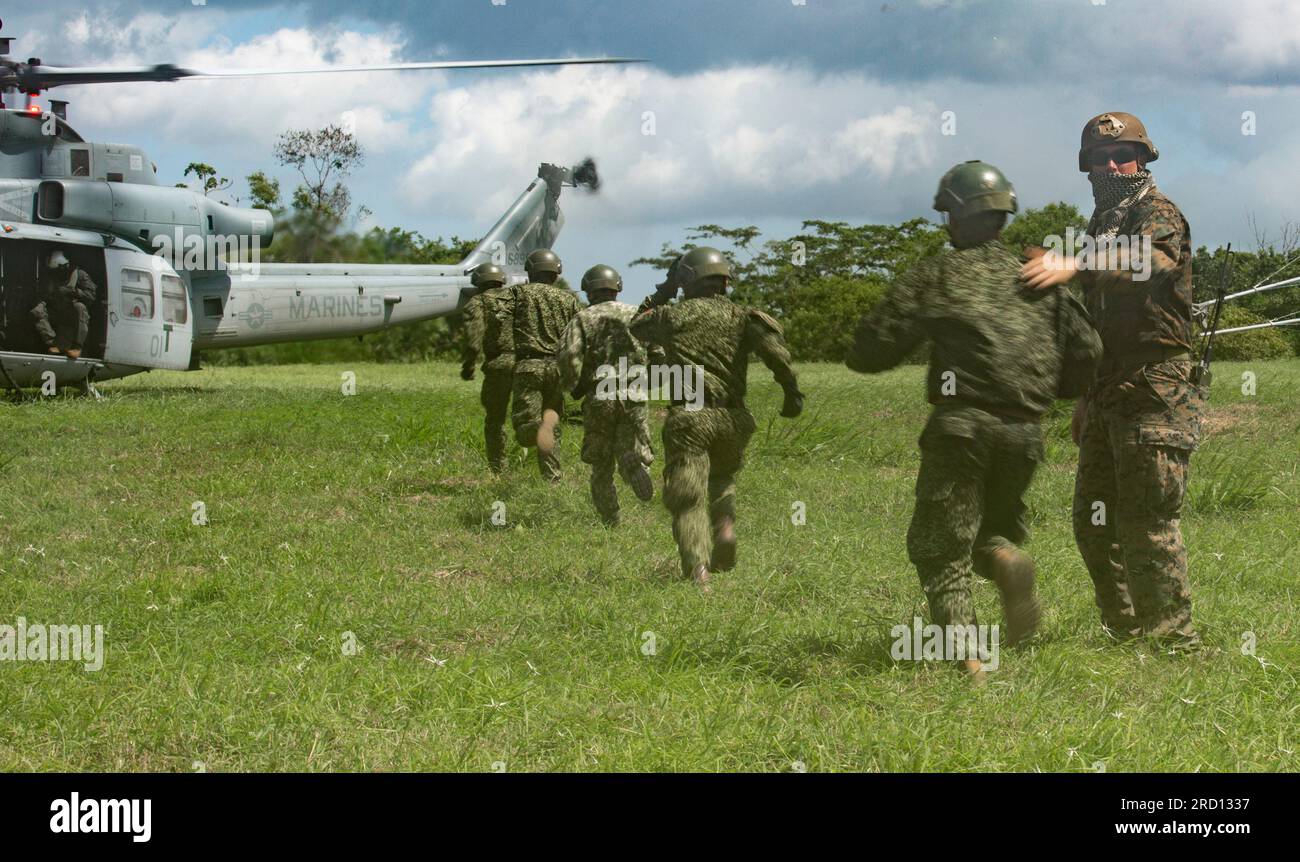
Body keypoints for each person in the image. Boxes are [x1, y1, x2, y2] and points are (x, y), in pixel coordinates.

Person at [847, 160, 1102, 678]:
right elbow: (1089, 352)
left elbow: (871, 352)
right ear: (1004, 214)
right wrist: (1044, 388)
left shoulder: (938, 275)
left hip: (961, 427)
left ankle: (970, 662)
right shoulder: (1040, 278)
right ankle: (1008, 560)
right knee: (989, 532)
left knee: (940, 548)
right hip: (1025, 432)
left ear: (955, 217)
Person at [1020, 112, 1202, 648]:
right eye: (1100, 159)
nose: (1113, 164)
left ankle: (1174, 646)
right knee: (1093, 525)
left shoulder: (1157, 213)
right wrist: (1083, 398)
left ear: (1144, 159)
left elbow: (1154, 261)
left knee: (1147, 523)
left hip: (1155, 387)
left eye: (1123, 155)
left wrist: (1074, 265)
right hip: (1106, 391)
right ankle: (1127, 634)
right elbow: (1098, 322)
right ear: (1088, 167)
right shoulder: (1102, 223)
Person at [631, 246, 803, 589]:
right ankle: (724, 527)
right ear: (725, 280)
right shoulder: (745, 317)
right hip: (734, 419)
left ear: (687, 280)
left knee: (688, 498)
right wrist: (791, 394)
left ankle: (699, 572)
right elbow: (778, 357)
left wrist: (666, 287)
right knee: (722, 476)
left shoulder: (672, 316)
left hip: (691, 417)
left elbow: (637, 324)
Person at [556, 264, 656, 525]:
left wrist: (571, 386)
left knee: (600, 465)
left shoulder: (582, 318)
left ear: (589, 291)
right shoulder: (636, 314)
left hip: (600, 393)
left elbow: (569, 357)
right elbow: (658, 350)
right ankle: (635, 464)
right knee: (630, 443)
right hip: (634, 391)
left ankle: (611, 520)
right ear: (617, 287)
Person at [509, 248, 581, 481]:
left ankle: (540, 428)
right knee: (552, 423)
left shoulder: (518, 294)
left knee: (525, 430)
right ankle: (553, 479)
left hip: (529, 366)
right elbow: (578, 334)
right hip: (558, 369)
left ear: (530, 271)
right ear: (556, 273)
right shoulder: (569, 300)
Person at [460, 262, 517, 474]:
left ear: (477, 282)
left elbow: (474, 340)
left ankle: (499, 470)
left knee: (495, 419)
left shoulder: (477, 302)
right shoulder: (517, 299)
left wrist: (469, 367)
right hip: (527, 363)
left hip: (498, 366)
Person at [32, 250, 97, 359]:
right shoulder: (51, 278)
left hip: (72, 314)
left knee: (79, 307)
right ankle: (52, 343)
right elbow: (43, 295)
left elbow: (91, 296)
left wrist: (74, 292)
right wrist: (42, 302)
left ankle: (77, 347)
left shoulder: (80, 275)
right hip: (56, 312)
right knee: (37, 310)